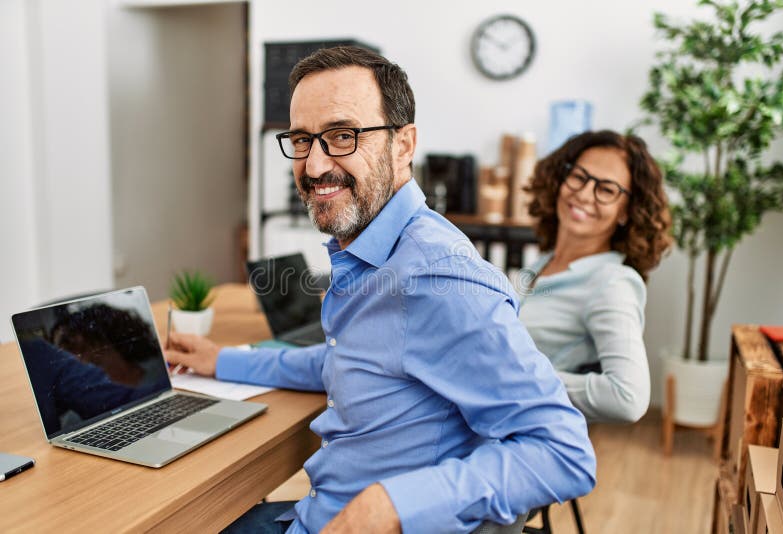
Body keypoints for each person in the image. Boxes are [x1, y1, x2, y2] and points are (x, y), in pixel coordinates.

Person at [164, 46, 596, 534]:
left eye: (342, 136)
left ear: (404, 144)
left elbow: (563, 452)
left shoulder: (439, 276)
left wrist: (390, 505)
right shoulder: (372, 253)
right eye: (302, 140)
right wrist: (222, 361)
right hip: (316, 513)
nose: (313, 166)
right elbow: (347, 359)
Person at [519, 130, 672, 423]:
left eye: (607, 190)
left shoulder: (612, 284)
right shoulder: (543, 263)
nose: (585, 194)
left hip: (529, 438)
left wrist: (517, 378)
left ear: (626, 211)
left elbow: (627, 398)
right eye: (579, 177)